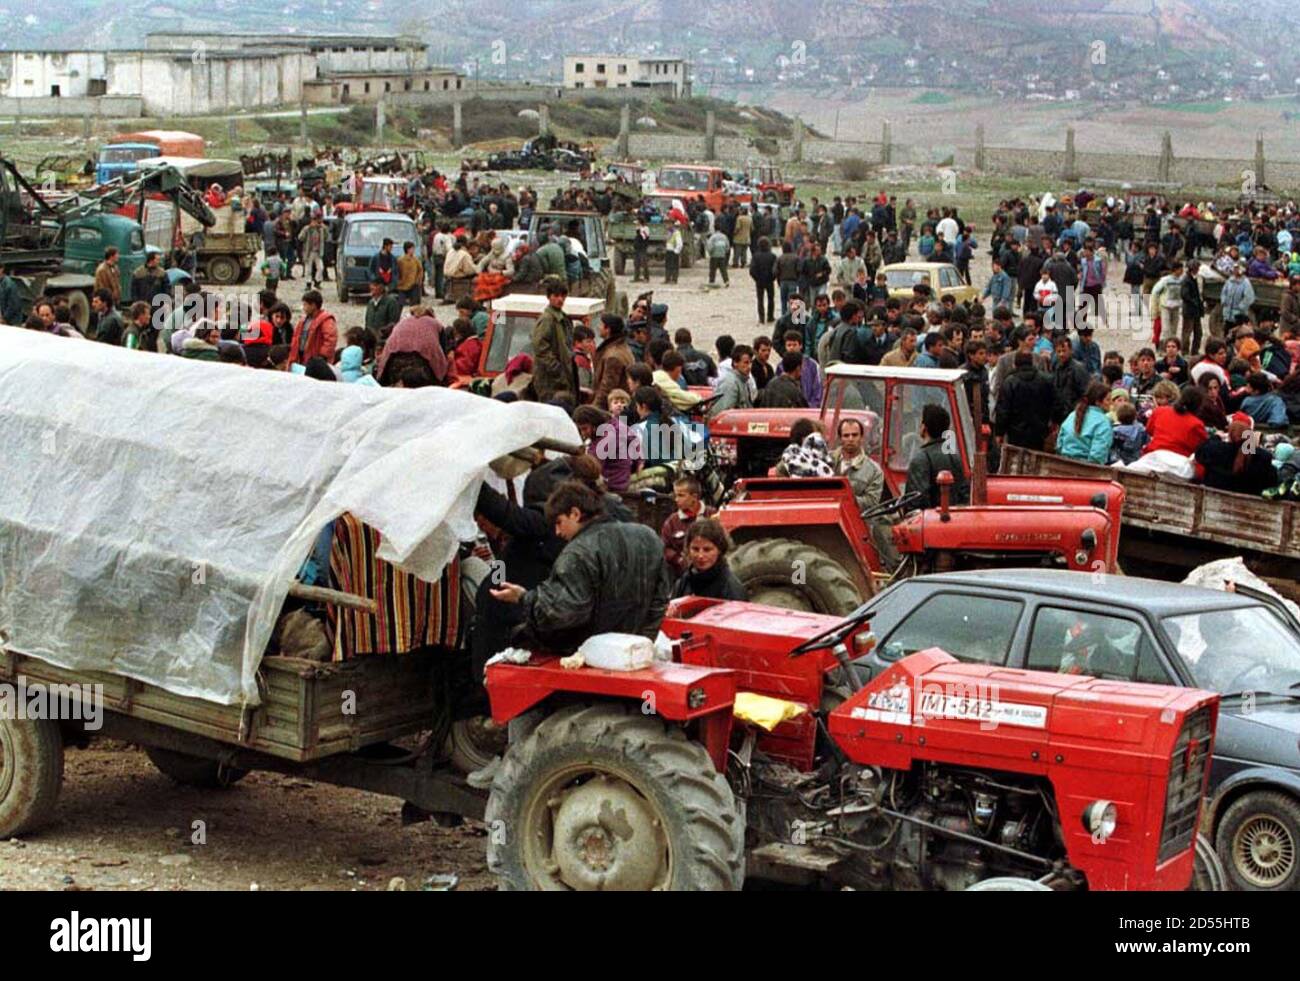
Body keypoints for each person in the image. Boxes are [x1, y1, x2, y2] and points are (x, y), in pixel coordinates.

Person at [489, 480, 670, 650]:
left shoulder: (578, 552)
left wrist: (523, 598)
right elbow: (661, 599)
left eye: (559, 522)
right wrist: (645, 640)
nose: (557, 532)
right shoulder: (648, 537)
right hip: (636, 652)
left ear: (575, 513)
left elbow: (563, 612)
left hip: (591, 661)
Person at [904, 404, 969, 507]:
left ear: (924, 428)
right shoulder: (955, 458)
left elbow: (916, 503)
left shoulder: (920, 460)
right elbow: (965, 496)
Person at [670, 519, 747, 601]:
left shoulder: (731, 589)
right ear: (688, 549)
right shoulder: (683, 583)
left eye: (707, 550)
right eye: (695, 549)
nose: (700, 556)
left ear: (719, 550)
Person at [1196, 415, 1275, 494]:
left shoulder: (1215, 449)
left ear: (1230, 435)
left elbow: (1199, 453)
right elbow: (1271, 481)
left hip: (1213, 499)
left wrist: (1216, 437)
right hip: (1248, 503)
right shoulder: (1262, 457)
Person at [995, 351, 1055, 450]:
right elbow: (1054, 403)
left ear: (1015, 364)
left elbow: (1003, 410)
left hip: (1015, 433)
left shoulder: (1010, 382)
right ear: (1032, 362)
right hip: (1040, 431)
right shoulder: (1046, 380)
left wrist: (999, 433)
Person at [531, 277, 578, 403]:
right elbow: (540, 348)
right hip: (550, 381)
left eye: (563, 296)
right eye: (556, 296)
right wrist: (557, 370)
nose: (560, 299)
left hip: (562, 377)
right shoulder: (547, 319)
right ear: (549, 297)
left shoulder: (563, 319)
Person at [661, 475, 715, 575]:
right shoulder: (672, 522)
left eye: (681, 495)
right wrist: (679, 559)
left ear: (694, 497)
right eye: (675, 495)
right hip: (683, 575)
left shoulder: (712, 515)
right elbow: (664, 548)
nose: (676, 499)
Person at [831, 417, 883, 511]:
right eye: (846, 436)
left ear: (861, 438)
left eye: (854, 435)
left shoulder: (874, 470)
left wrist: (843, 499)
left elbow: (871, 502)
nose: (850, 439)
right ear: (840, 438)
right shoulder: (827, 461)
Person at [1056, 382, 1114, 464]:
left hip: (1063, 463)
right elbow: (1098, 455)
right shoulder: (1103, 422)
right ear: (1098, 401)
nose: (1111, 403)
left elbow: (1059, 444)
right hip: (1087, 469)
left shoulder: (1073, 414)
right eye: (1108, 400)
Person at [1144, 386, 1208, 457]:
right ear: (1199, 405)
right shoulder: (1196, 424)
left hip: (1152, 455)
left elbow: (1149, 430)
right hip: (1177, 461)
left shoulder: (1160, 411)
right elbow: (1201, 447)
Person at [710, 343, 754, 417]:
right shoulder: (731, 384)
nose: (749, 366)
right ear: (735, 363)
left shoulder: (743, 381)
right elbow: (723, 415)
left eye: (751, 362)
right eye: (746, 363)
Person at [297, 213, 328, 290]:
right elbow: (300, 237)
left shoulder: (321, 229)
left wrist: (325, 229)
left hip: (318, 251)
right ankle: (308, 283)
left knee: (320, 267)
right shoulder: (307, 229)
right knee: (308, 269)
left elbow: (326, 238)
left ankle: (317, 281)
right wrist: (306, 230)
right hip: (309, 252)